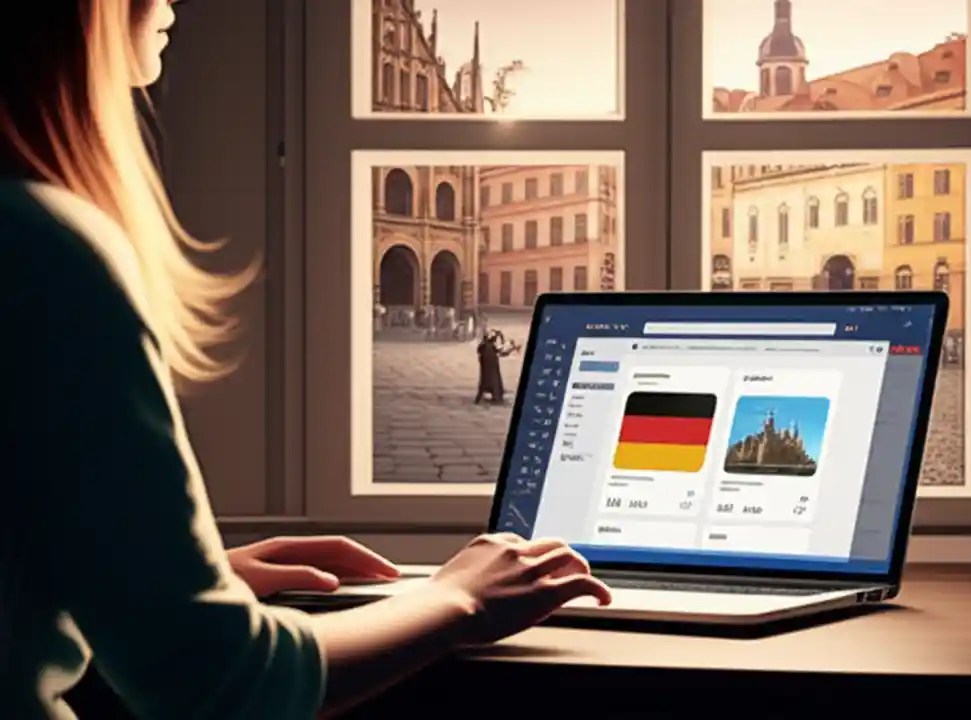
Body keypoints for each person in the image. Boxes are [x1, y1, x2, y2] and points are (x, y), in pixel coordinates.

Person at [0, 2, 612, 718]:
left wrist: (167, 582)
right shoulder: (45, 246)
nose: (174, 3)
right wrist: (456, 598)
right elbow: (218, 683)